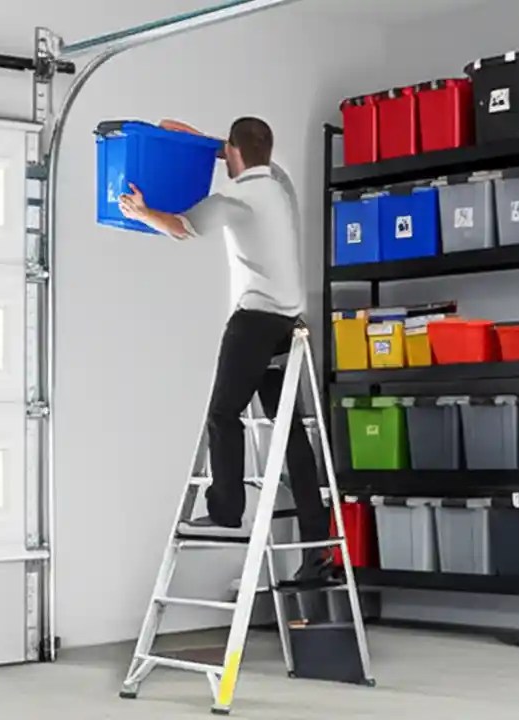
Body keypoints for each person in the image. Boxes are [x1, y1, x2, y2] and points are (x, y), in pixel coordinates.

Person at [118, 117, 334, 583]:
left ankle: (226, 509)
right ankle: (318, 544)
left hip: (253, 324)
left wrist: (140, 212)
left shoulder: (235, 198)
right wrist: (202, 143)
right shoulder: (278, 182)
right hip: (289, 325)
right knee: (289, 433)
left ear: (233, 152)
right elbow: (241, 153)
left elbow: (180, 228)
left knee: (223, 415)